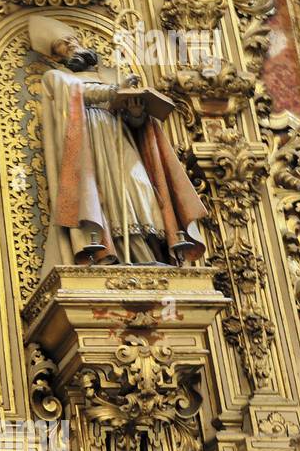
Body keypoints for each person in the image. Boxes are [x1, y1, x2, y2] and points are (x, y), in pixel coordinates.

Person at [31, 14, 207, 272]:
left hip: (120, 140)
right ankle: (123, 256)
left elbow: (137, 127)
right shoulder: (56, 77)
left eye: (72, 40)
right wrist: (115, 91)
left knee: (140, 188)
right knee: (109, 199)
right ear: (56, 57)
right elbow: (77, 94)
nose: (70, 45)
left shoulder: (111, 75)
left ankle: (154, 252)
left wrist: (135, 113)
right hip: (89, 146)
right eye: (62, 45)